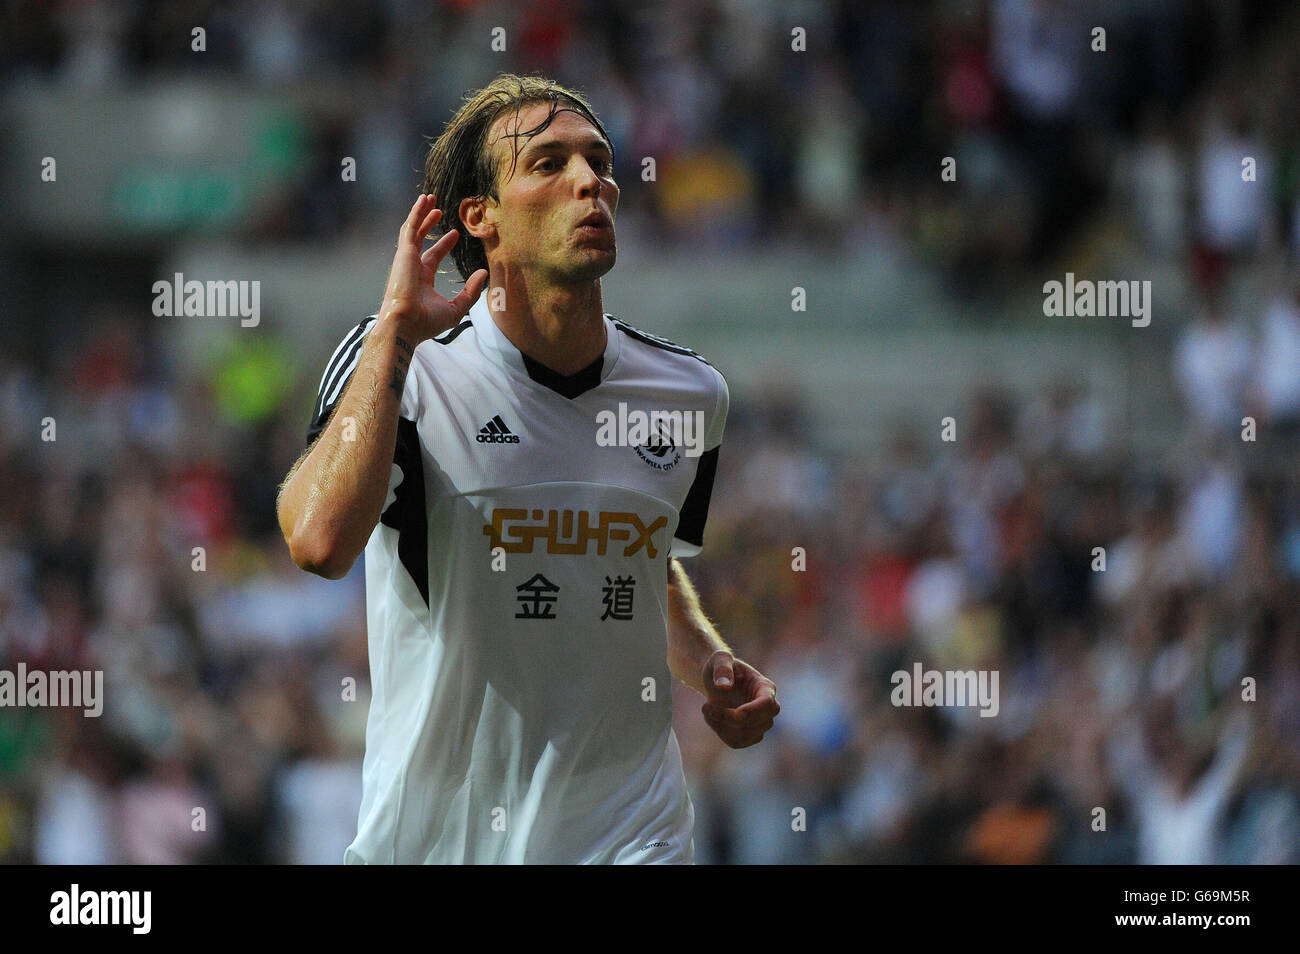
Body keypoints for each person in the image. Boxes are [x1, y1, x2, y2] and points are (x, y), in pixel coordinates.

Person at [275, 73, 779, 864]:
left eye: (600, 162)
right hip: (440, 844)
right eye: (548, 164)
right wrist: (393, 338)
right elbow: (317, 542)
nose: (591, 182)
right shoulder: (402, 365)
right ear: (482, 218)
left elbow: (646, 561)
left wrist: (709, 659)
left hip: (633, 836)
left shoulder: (690, 393)